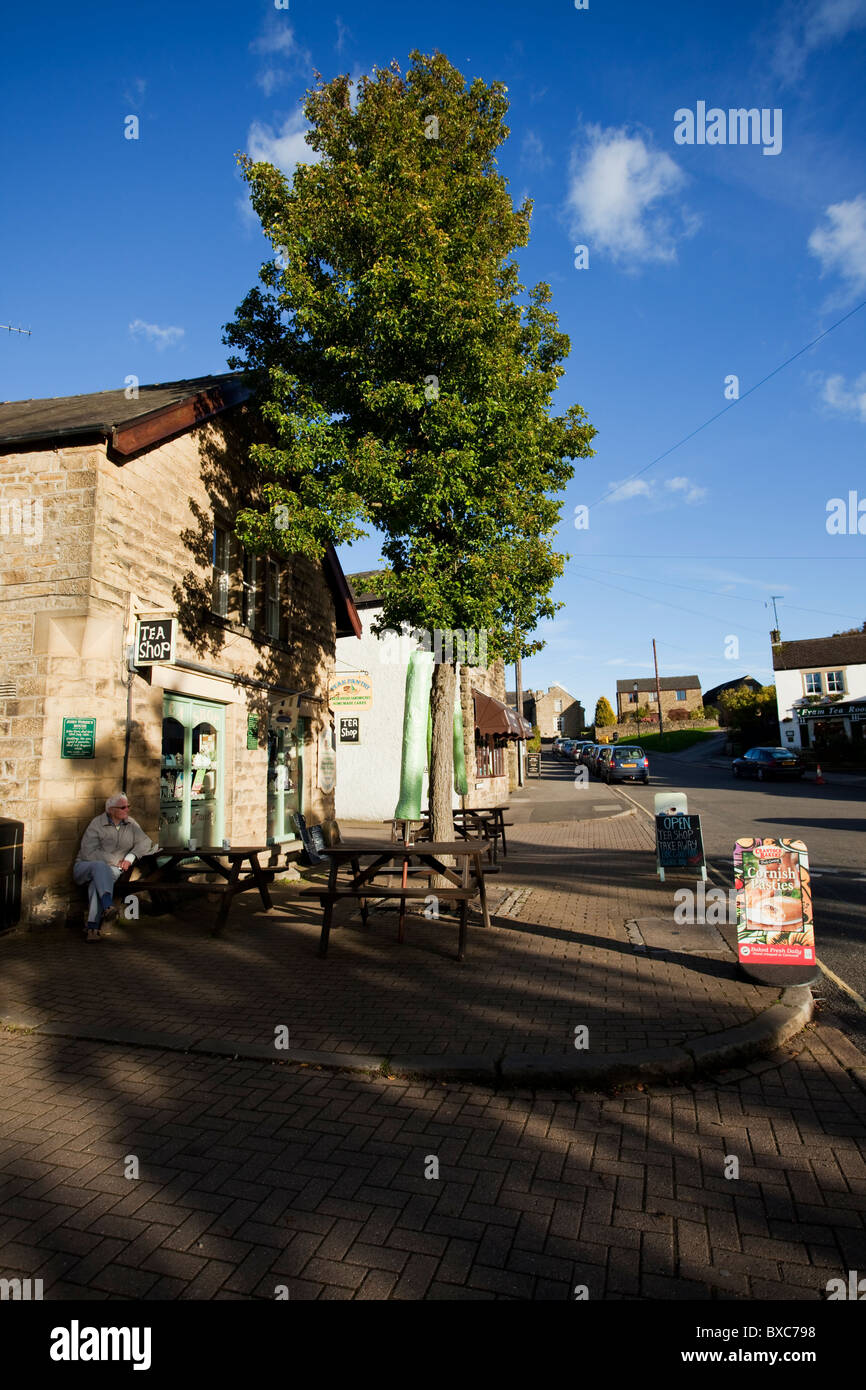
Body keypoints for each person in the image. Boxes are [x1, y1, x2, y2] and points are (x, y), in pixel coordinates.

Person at [74, 794, 153, 941]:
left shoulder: (131, 823)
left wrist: (130, 858)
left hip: (113, 870)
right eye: (123, 807)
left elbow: (145, 842)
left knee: (96, 883)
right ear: (111, 810)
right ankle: (105, 909)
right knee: (100, 867)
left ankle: (94, 926)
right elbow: (88, 852)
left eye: (128, 806)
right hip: (86, 866)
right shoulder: (97, 824)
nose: (127, 810)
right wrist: (114, 860)